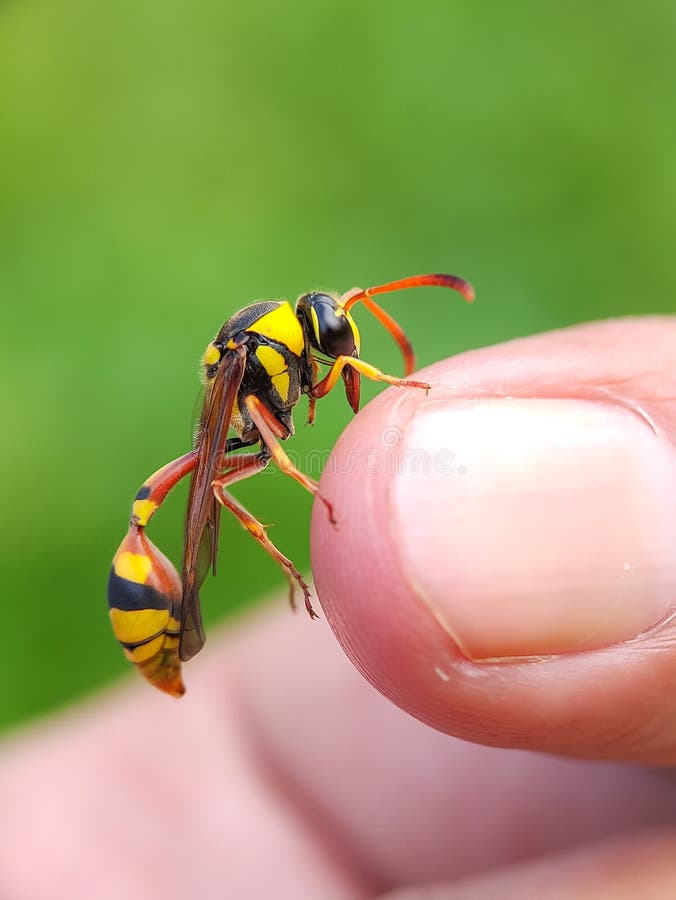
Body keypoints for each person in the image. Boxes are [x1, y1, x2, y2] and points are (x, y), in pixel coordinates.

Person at [1, 318, 675, 899]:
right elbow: (234, 463)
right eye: (332, 335)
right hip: (147, 580)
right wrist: (301, 477)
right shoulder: (247, 367)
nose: (337, 346)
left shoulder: (273, 364)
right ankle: (176, 628)